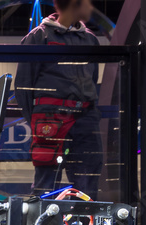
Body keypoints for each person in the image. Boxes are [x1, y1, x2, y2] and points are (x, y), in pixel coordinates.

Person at [15, 0, 103, 198]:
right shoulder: (39, 36)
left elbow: (92, 79)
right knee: (45, 183)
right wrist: (37, 120)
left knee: (88, 184)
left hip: (85, 119)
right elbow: (23, 87)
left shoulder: (90, 40)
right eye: (87, 2)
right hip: (49, 119)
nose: (91, 7)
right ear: (75, 3)